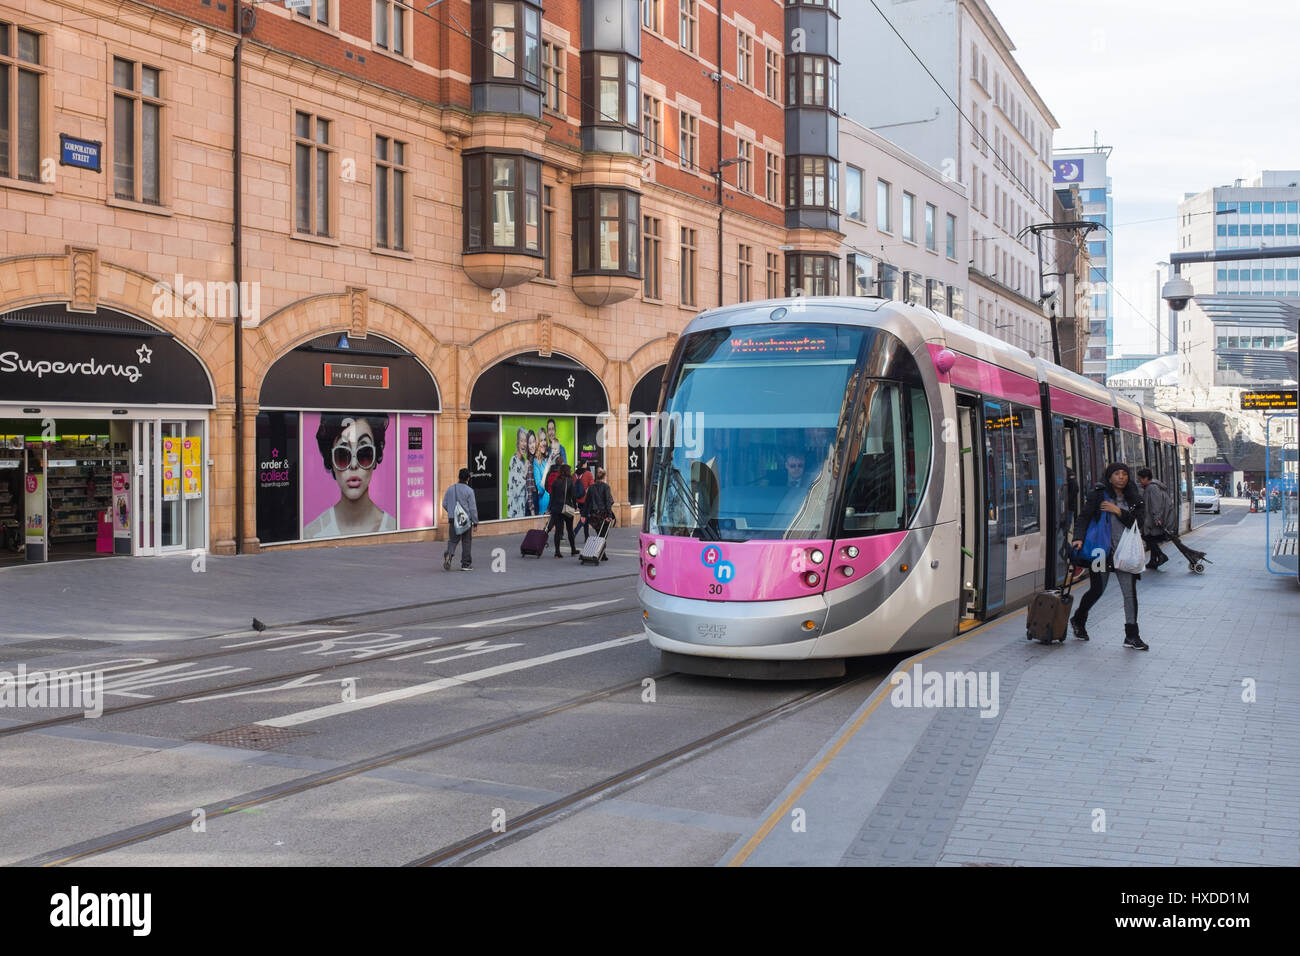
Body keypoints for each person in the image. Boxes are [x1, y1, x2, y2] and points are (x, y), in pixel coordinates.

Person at [1070, 462, 1148, 650]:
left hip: (1125, 552)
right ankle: (1078, 619)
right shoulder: (1098, 494)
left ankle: (1132, 635)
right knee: (1097, 589)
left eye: (1124, 474)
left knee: (1129, 593)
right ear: (1109, 476)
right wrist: (1078, 538)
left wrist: (1118, 511)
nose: (1121, 477)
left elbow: (1139, 522)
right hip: (1100, 551)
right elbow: (1084, 517)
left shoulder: (1134, 497)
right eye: (1117, 474)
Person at [303, 414, 397, 539]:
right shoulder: (311, 534)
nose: (353, 465)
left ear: (375, 458)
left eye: (364, 454)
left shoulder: (394, 529)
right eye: (342, 455)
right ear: (331, 461)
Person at [1137, 467, 1175, 570]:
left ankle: (1161, 556)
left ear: (1146, 478)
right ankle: (1153, 560)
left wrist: (1157, 517)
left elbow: (1156, 503)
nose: (1140, 481)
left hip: (1152, 519)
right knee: (1150, 537)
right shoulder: (1150, 487)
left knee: (1147, 537)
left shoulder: (1152, 487)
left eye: (1140, 479)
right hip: (1151, 517)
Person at [442, 467, 478, 570]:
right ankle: (466, 564)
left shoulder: (450, 489)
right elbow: (472, 508)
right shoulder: (469, 491)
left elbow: (444, 504)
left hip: (453, 519)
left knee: (453, 540)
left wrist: (452, 513)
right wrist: (475, 522)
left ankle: (449, 554)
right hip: (465, 521)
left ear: (458, 477)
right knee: (466, 541)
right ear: (468, 478)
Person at [547, 462, 579, 557]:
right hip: (567, 508)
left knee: (558, 530)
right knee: (570, 529)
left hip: (556, 508)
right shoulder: (570, 481)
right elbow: (573, 495)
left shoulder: (556, 482)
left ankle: (557, 552)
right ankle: (573, 550)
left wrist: (550, 507)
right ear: (567, 471)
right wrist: (575, 506)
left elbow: (552, 496)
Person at [586, 467, 614, 561]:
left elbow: (587, 502)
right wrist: (609, 515)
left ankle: (603, 554)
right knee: (603, 535)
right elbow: (608, 502)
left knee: (599, 533)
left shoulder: (591, 487)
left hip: (594, 515)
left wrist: (584, 514)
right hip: (603, 514)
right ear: (604, 477)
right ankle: (600, 553)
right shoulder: (606, 487)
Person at [506, 426, 529, 518]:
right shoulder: (514, 461)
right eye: (521, 441)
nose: (524, 444)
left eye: (525, 441)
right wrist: (524, 474)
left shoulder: (523, 461)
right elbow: (515, 492)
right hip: (514, 513)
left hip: (522, 511)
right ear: (517, 442)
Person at [572, 461, 594, 542]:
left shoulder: (574, 475)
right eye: (586, 463)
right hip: (586, 500)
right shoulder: (588, 474)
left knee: (585, 518)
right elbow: (592, 487)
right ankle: (574, 532)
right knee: (584, 517)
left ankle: (586, 537)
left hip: (578, 500)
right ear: (584, 464)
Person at [533, 434, 551, 515]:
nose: (543, 443)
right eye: (541, 440)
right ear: (538, 444)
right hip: (545, 504)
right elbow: (540, 488)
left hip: (555, 504)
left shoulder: (549, 458)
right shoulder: (536, 461)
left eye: (545, 440)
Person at [523, 430, 540, 516]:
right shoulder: (529, 463)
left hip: (535, 498)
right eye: (530, 443)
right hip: (532, 501)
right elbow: (529, 488)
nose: (532, 445)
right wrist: (532, 510)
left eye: (533, 442)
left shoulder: (535, 459)